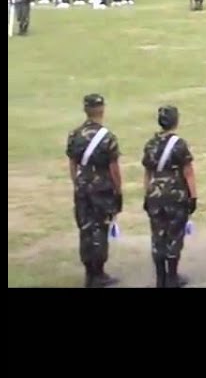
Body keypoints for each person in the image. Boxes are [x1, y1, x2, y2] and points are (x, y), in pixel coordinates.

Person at [65, 94, 123, 288]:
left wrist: (78, 183)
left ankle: (89, 272)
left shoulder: (75, 135)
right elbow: (114, 168)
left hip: (82, 187)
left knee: (85, 228)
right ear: (102, 110)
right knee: (100, 229)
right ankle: (98, 273)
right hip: (102, 188)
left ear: (85, 110)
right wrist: (118, 190)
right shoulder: (107, 137)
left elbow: (72, 164)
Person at [142, 105, 196, 288]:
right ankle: (172, 277)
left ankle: (160, 277)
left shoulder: (151, 144)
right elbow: (188, 172)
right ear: (176, 121)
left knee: (158, 235)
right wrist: (193, 196)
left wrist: (147, 194)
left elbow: (147, 173)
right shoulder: (179, 145)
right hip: (175, 194)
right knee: (174, 235)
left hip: (155, 193)